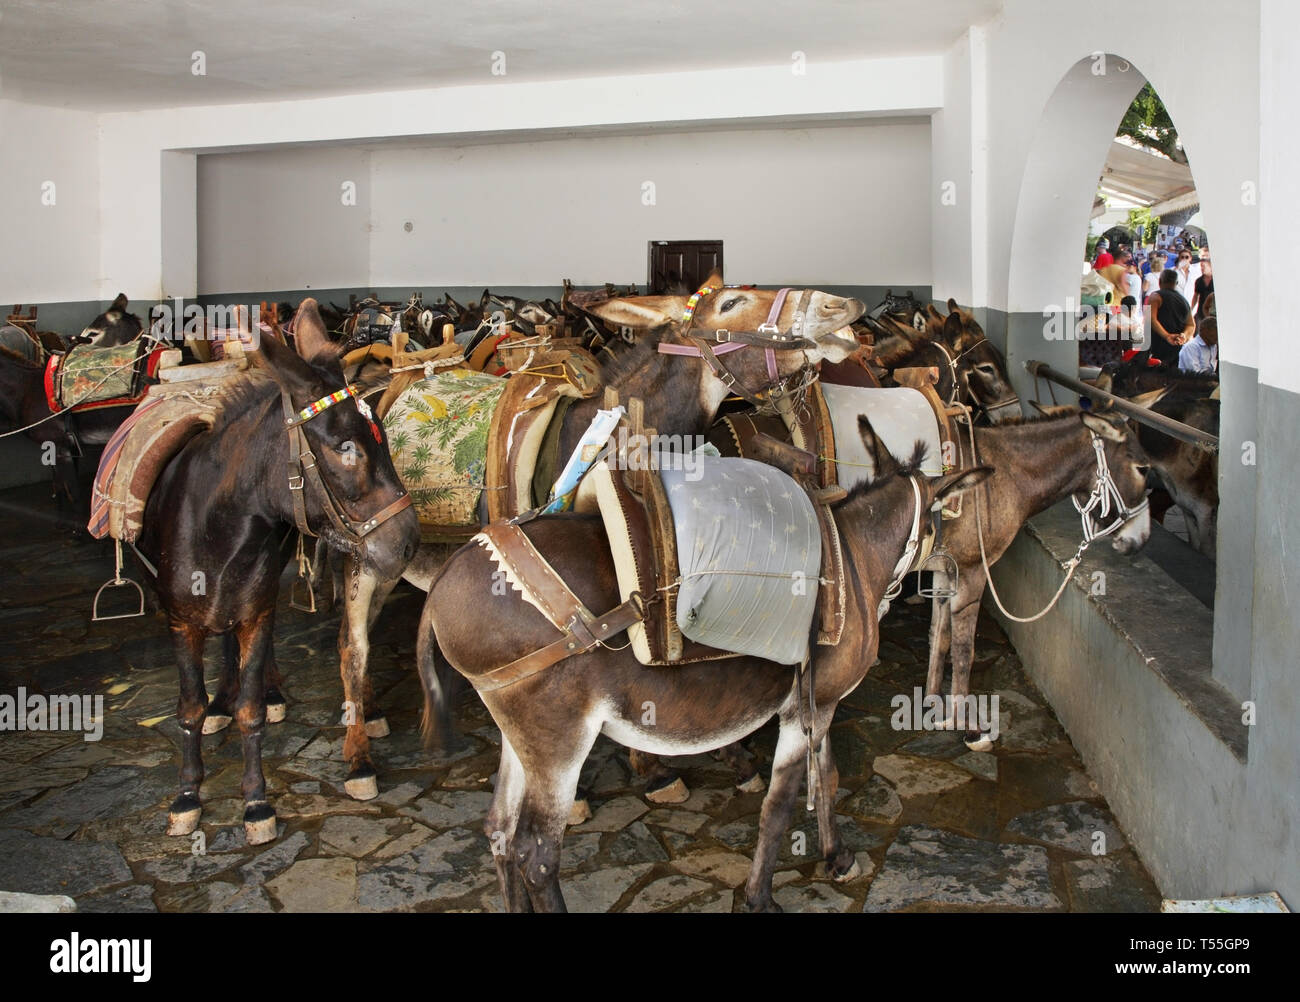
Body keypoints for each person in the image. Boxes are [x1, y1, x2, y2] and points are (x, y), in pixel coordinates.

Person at [1147, 269, 1196, 366]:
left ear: (1160, 281)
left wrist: (1167, 336)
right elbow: (1191, 325)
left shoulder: (1155, 296)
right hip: (1177, 347)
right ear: (1176, 283)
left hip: (1158, 346)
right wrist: (1184, 336)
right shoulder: (1184, 300)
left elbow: (1150, 320)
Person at [1190, 251, 1214, 320]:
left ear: (1210, 267)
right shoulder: (1199, 281)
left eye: (1203, 267)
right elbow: (1195, 296)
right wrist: (1191, 309)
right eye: (1201, 267)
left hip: (1213, 312)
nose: (1201, 269)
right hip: (1201, 312)